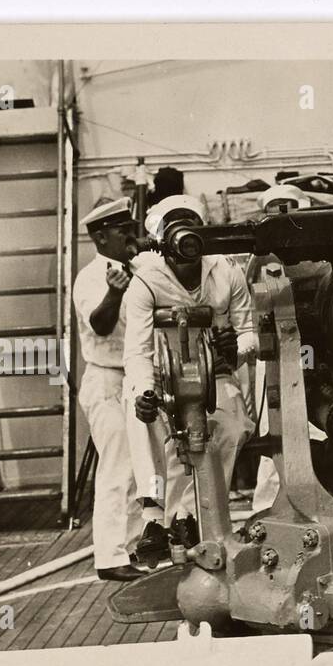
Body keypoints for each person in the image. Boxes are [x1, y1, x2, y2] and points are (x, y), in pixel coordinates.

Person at [123, 195, 257, 546]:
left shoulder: (227, 271)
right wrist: (143, 392)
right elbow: (137, 351)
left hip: (214, 373)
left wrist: (236, 351)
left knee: (231, 425)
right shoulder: (146, 281)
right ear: (162, 242)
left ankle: (194, 515)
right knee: (145, 421)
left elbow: (248, 332)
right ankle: (154, 515)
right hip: (159, 371)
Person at [74, 198, 153, 582]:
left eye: (131, 227)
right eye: (123, 230)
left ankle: (132, 547)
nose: (131, 234)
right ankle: (109, 556)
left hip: (133, 379)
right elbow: (100, 325)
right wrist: (114, 293)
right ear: (101, 236)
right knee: (117, 467)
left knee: (139, 466)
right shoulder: (93, 277)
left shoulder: (135, 269)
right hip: (106, 380)